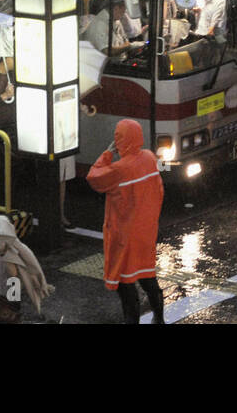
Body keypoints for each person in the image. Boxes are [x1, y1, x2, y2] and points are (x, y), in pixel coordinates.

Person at [86, 118, 165, 324]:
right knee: (147, 275)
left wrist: (107, 153)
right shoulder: (149, 158)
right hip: (146, 230)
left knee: (125, 281)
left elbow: (93, 177)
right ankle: (159, 318)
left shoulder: (119, 170)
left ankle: (132, 320)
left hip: (125, 235)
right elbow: (160, 186)